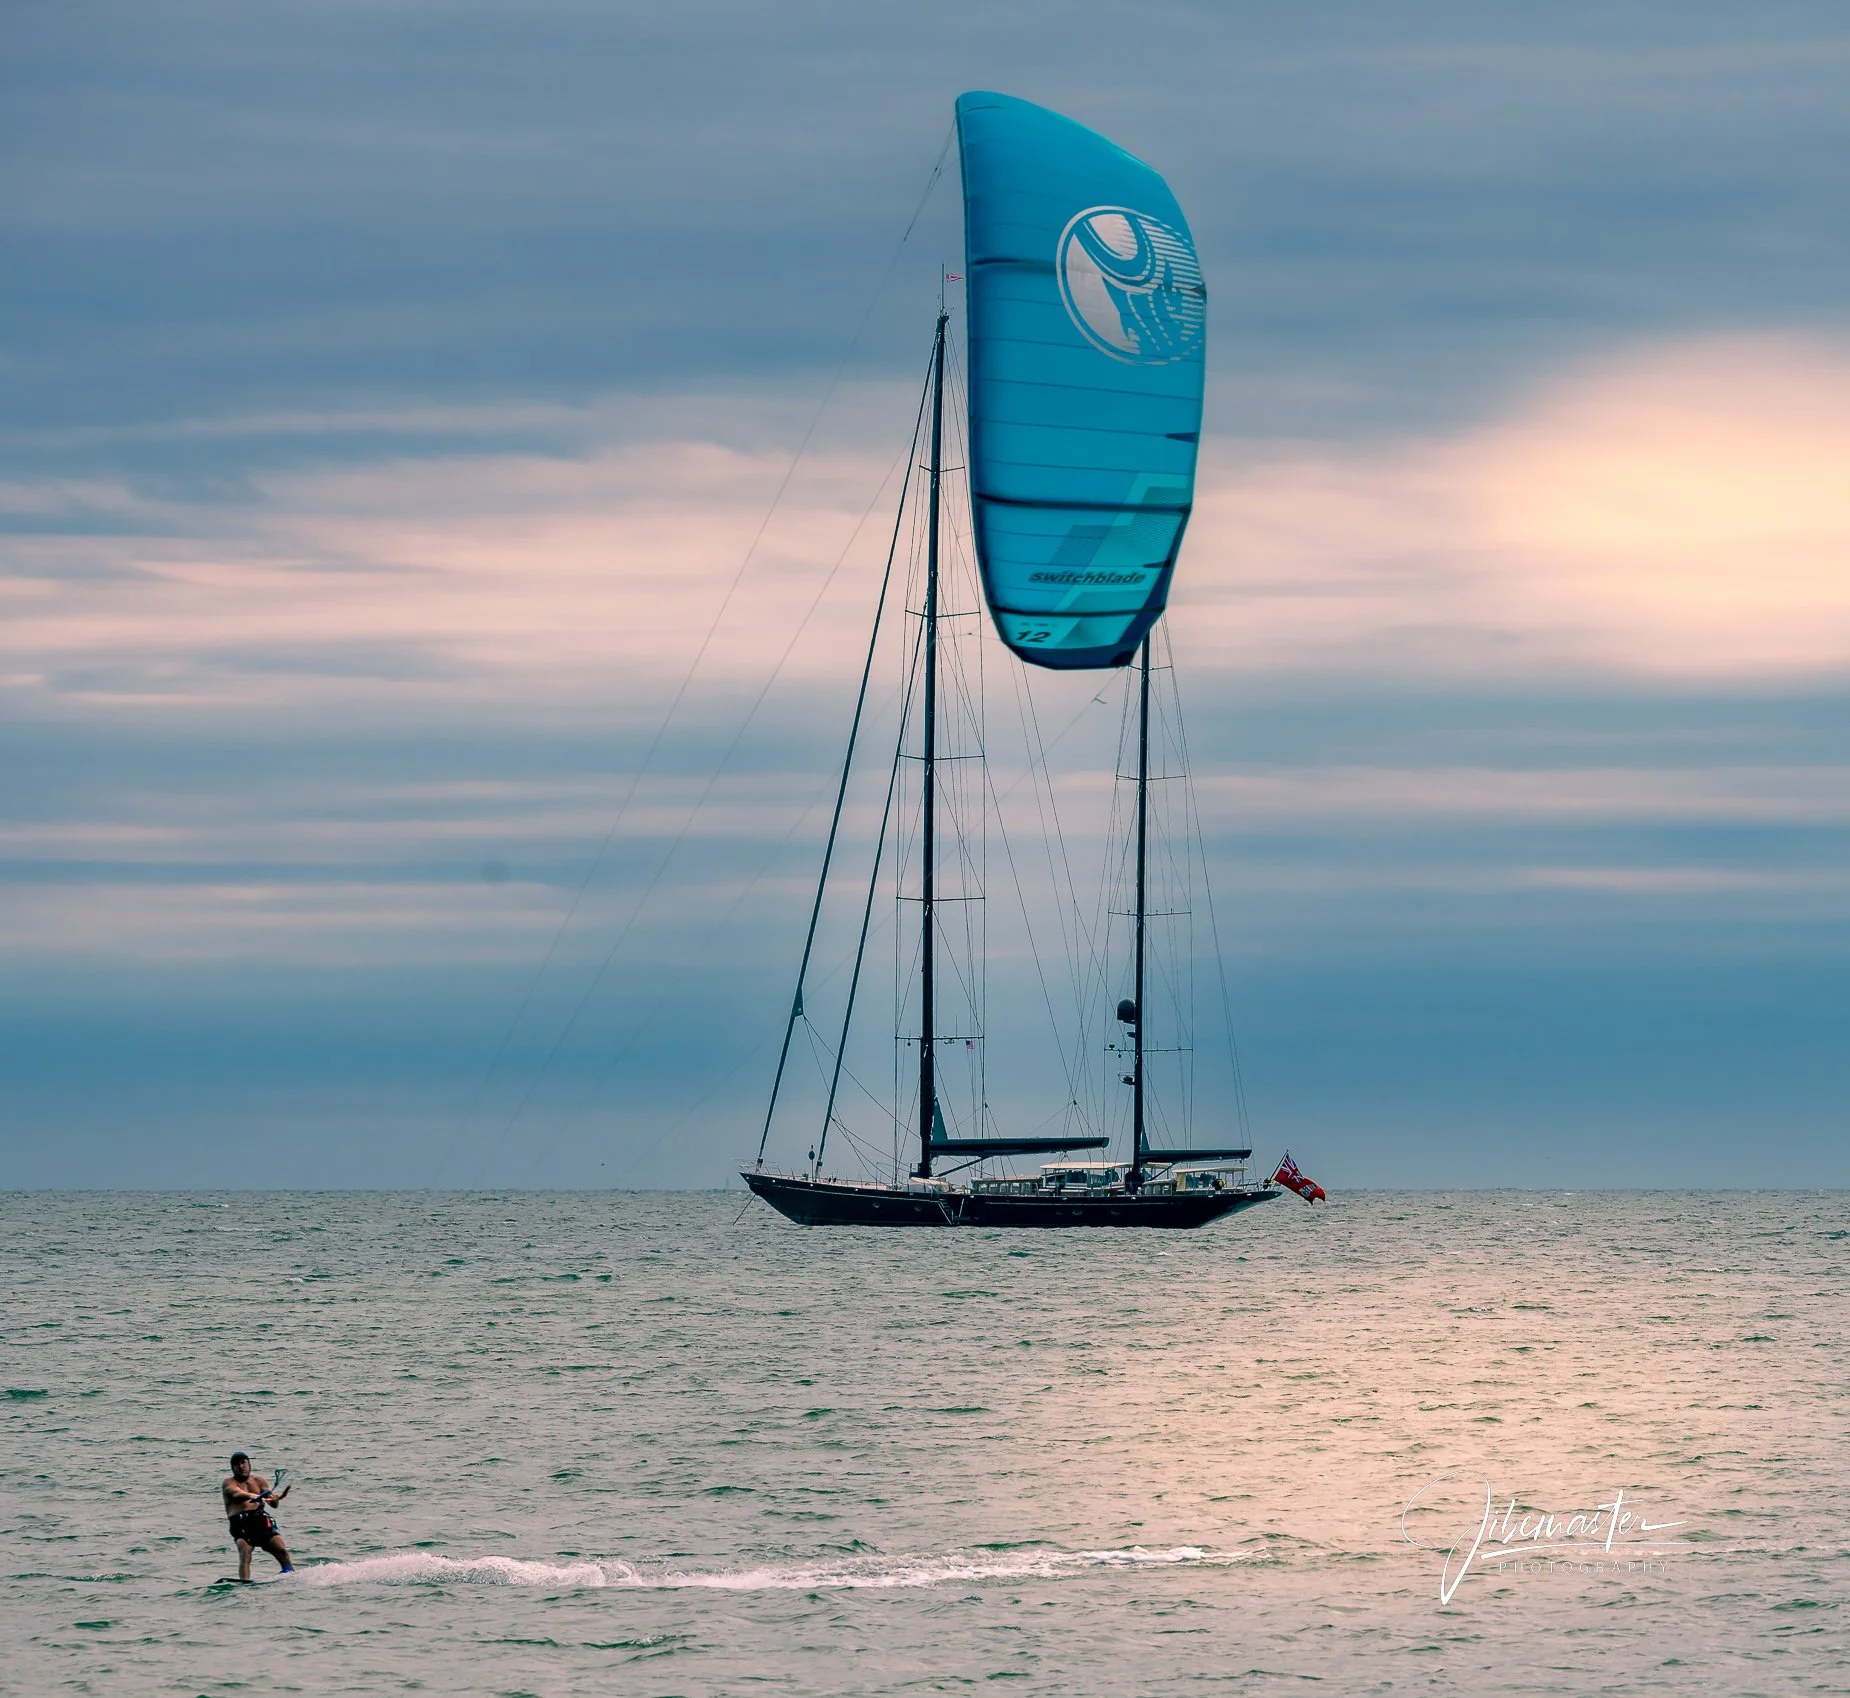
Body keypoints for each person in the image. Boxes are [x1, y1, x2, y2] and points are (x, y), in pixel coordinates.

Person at [222, 1452, 294, 1581]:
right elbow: (236, 1494)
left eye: (243, 1463)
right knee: (245, 1551)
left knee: (281, 1550)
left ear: (249, 1464)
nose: (241, 1466)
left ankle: (290, 1573)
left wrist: (274, 1498)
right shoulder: (229, 1483)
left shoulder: (259, 1481)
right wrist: (253, 1496)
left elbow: (274, 1505)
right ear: (232, 1468)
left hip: (260, 1520)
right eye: (237, 1464)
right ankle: (244, 1582)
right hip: (240, 1523)